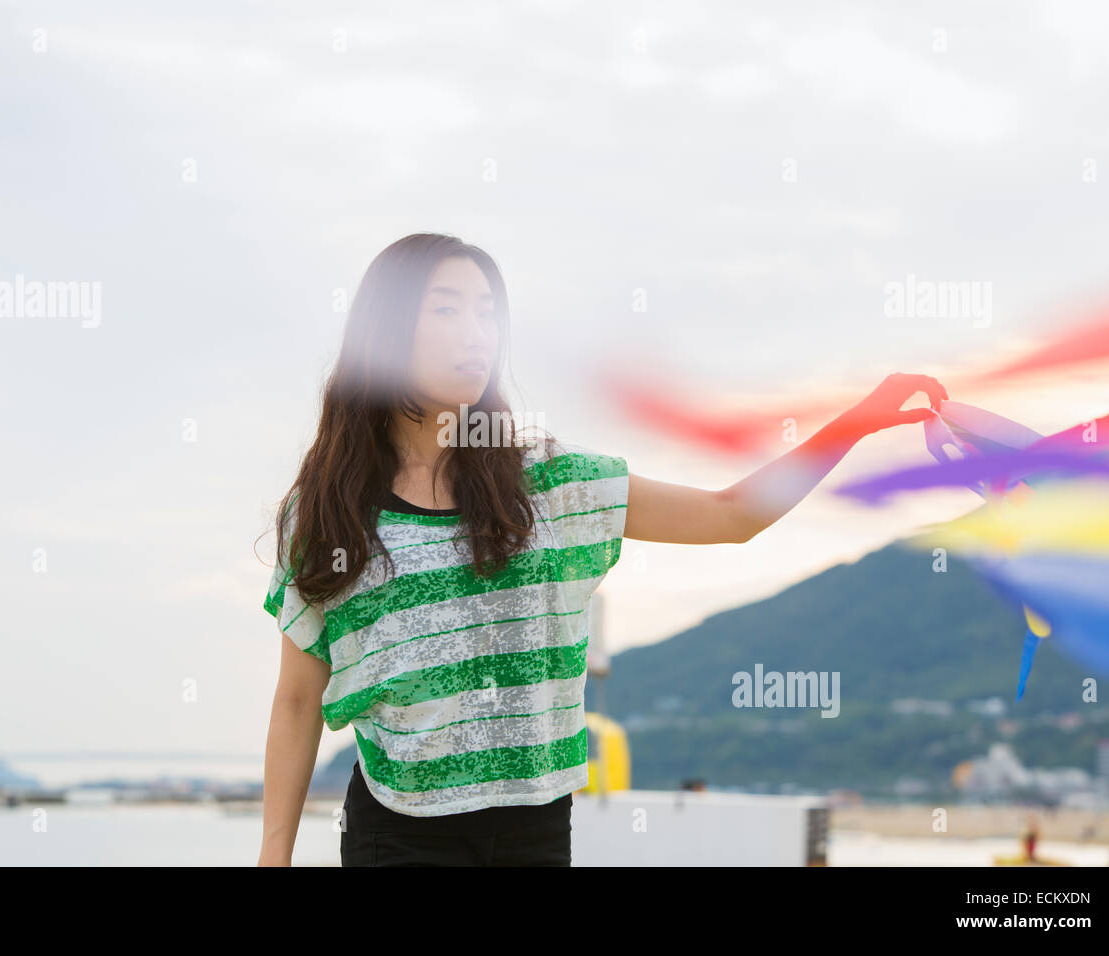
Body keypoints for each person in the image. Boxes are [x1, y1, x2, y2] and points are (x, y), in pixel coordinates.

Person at [255, 232, 948, 867]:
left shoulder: (551, 485)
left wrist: (856, 422)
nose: (476, 334)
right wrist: (273, 856)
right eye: (446, 310)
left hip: (534, 833)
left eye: (487, 313)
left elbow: (732, 514)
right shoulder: (326, 515)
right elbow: (295, 702)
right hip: (397, 832)